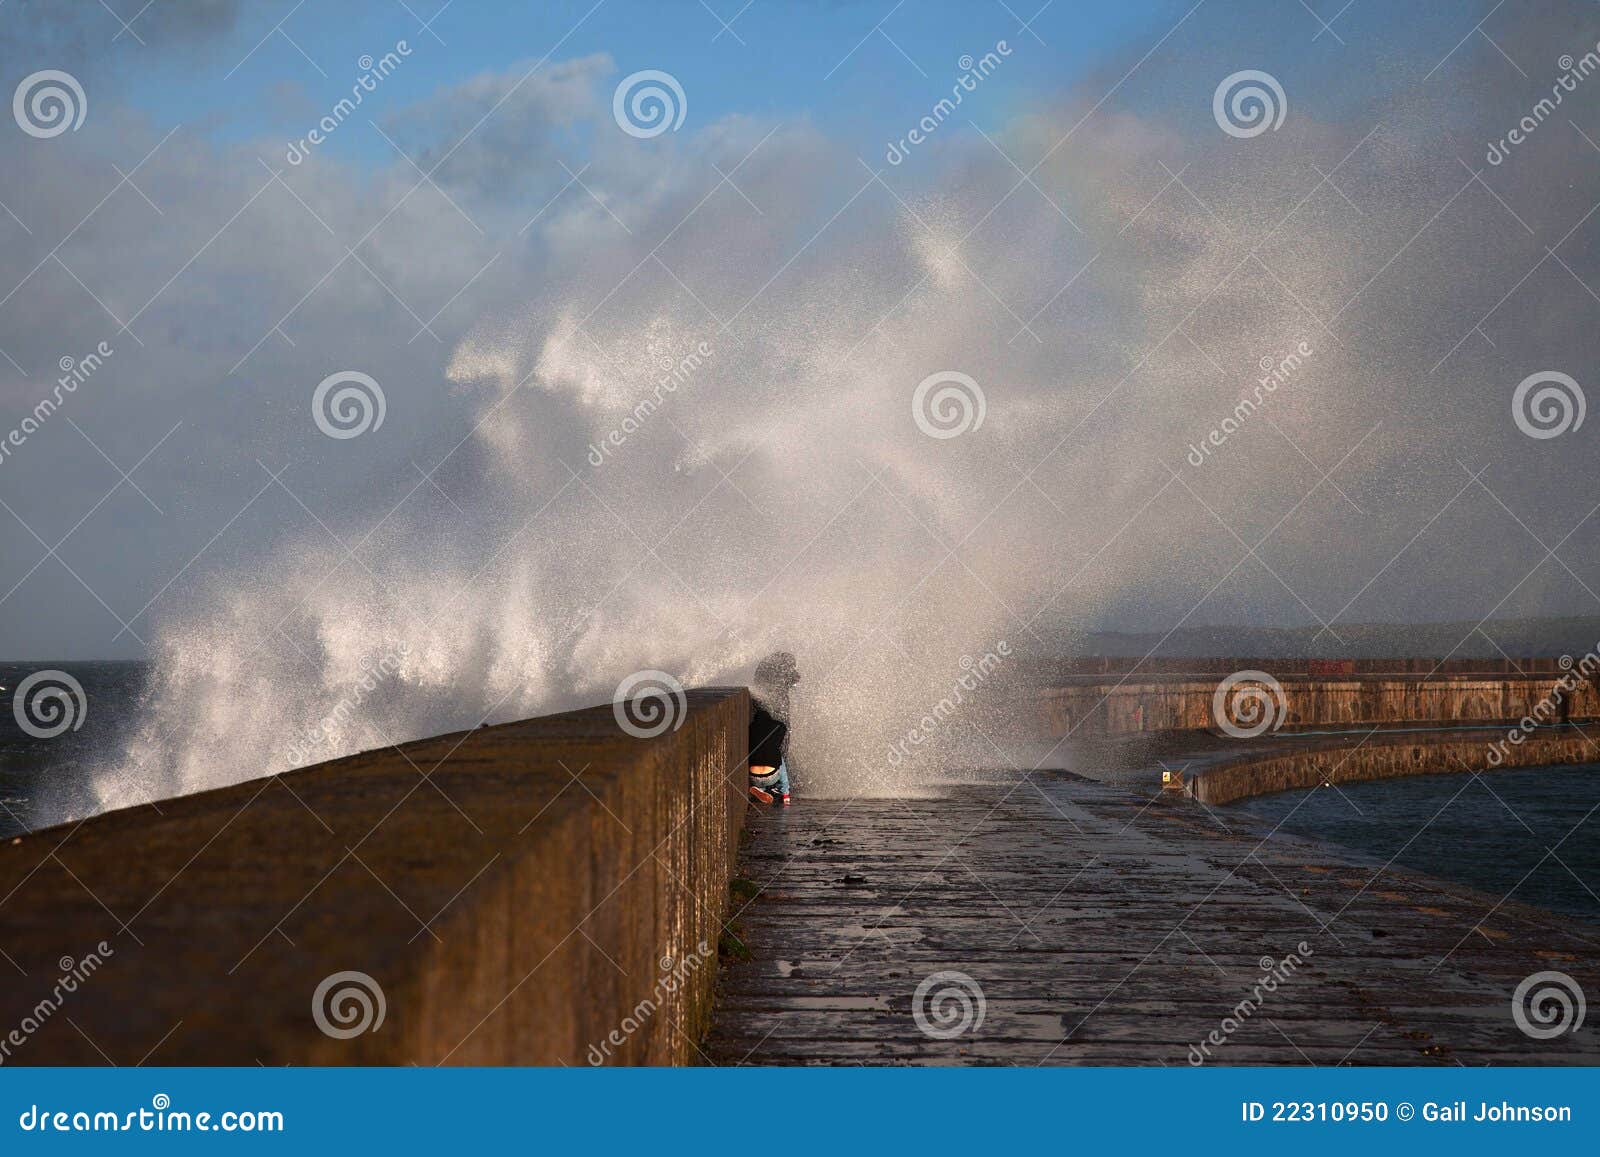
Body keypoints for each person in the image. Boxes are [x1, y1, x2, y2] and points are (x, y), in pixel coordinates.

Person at [748, 651, 799, 807]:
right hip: (780, 715)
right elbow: (796, 679)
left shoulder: (763, 670)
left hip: (768, 714)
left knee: (768, 746)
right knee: (779, 749)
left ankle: (764, 787)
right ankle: (780, 787)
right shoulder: (783, 670)